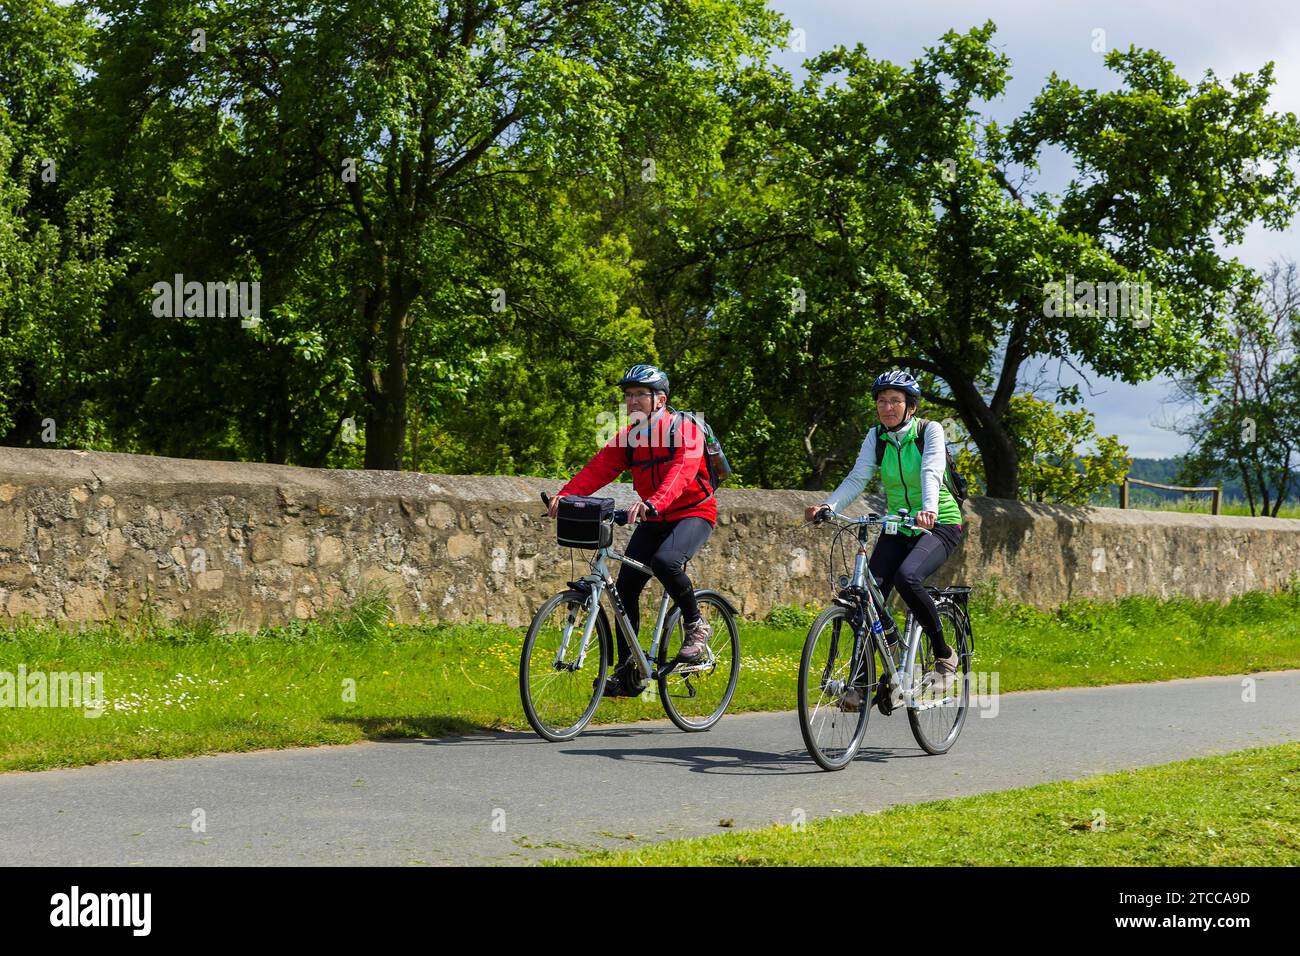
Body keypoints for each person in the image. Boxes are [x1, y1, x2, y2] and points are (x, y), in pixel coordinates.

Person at [548, 364, 718, 696]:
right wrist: (566, 495)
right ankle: (629, 673)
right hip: (654, 518)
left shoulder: (685, 429)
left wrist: (655, 501)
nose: (633, 401)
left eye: (641, 394)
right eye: (629, 395)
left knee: (666, 561)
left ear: (661, 399)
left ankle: (696, 625)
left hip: (692, 513)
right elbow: (599, 468)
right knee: (624, 588)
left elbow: (682, 472)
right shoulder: (631, 438)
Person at [805, 370, 964, 703]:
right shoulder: (876, 436)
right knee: (863, 596)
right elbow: (857, 477)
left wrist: (930, 510)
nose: (887, 407)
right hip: (898, 525)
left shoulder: (928, 431)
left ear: (911, 406)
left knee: (908, 578)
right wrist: (828, 506)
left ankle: (944, 652)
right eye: (882, 401)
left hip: (940, 523)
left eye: (895, 401)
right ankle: (861, 684)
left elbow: (931, 470)